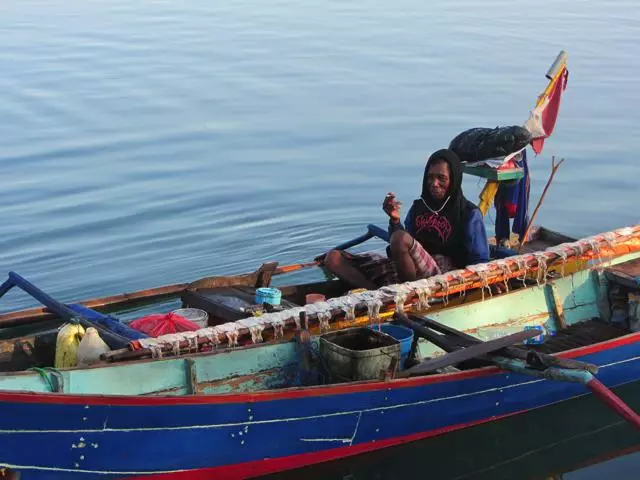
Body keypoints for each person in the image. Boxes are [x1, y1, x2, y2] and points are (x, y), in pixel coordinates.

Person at [321, 149, 489, 290]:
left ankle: (408, 295)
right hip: (408, 270)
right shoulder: (419, 207)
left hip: (440, 277)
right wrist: (394, 220)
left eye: (441, 178)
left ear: (453, 180)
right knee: (333, 258)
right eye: (430, 177)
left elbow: (479, 261)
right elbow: (402, 247)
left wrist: (481, 283)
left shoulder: (468, 213)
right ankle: (374, 294)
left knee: (400, 238)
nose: (434, 183)